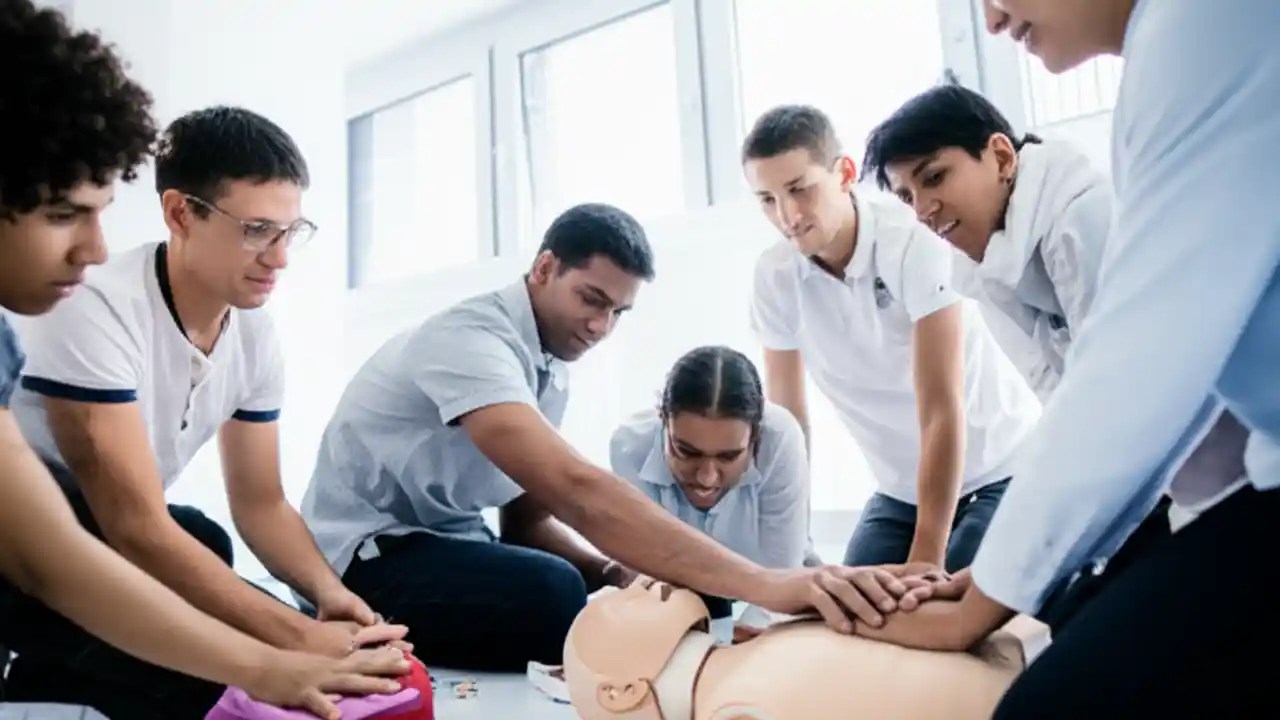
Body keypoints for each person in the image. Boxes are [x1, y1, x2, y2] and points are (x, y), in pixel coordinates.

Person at [855, 1, 1280, 716]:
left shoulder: (1200, 35)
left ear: (999, 155)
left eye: (934, 178)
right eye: (907, 195)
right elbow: (1085, 396)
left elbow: (1134, 371)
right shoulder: (985, 267)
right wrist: (1004, 577)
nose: (991, 19)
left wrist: (985, 595)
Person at [302, 204, 931, 672]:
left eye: (618, 313)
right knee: (552, 594)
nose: (600, 327)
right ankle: (342, 624)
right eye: (591, 299)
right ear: (545, 268)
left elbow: (525, 526)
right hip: (367, 553)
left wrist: (614, 573)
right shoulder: (470, 343)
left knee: (595, 594)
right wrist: (767, 584)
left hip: (452, 542)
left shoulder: (548, 375)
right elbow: (576, 490)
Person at [0, 2, 407, 718]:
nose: (94, 250)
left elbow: (258, 503)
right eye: (64, 214)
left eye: (290, 232)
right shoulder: (93, 307)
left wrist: (321, 600)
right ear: (181, 214)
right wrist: (285, 649)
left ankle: (57, 686)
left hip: (59, 542)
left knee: (204, 538)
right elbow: (114, 531)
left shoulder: (254, 336)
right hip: (79, 525)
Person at [742, 105, 1041, 573]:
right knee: (854, 604)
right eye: (766, 199)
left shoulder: (913, 242)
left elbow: (942, 406)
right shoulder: (774, 276)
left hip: (999, 470)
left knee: (941, 603)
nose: (787, 215)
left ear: (843, 173)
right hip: (900, 492)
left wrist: (925, 558)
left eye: (800, 189)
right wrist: (789, 550)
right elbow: (789, 426)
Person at [610, 345, 809, 571]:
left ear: (755, 435)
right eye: (686, 452)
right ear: (664, 421)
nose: (707, 478)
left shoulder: (780, 439)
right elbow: (647, 573)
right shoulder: (630, 448)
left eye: (729, 457)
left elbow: (782, 578)